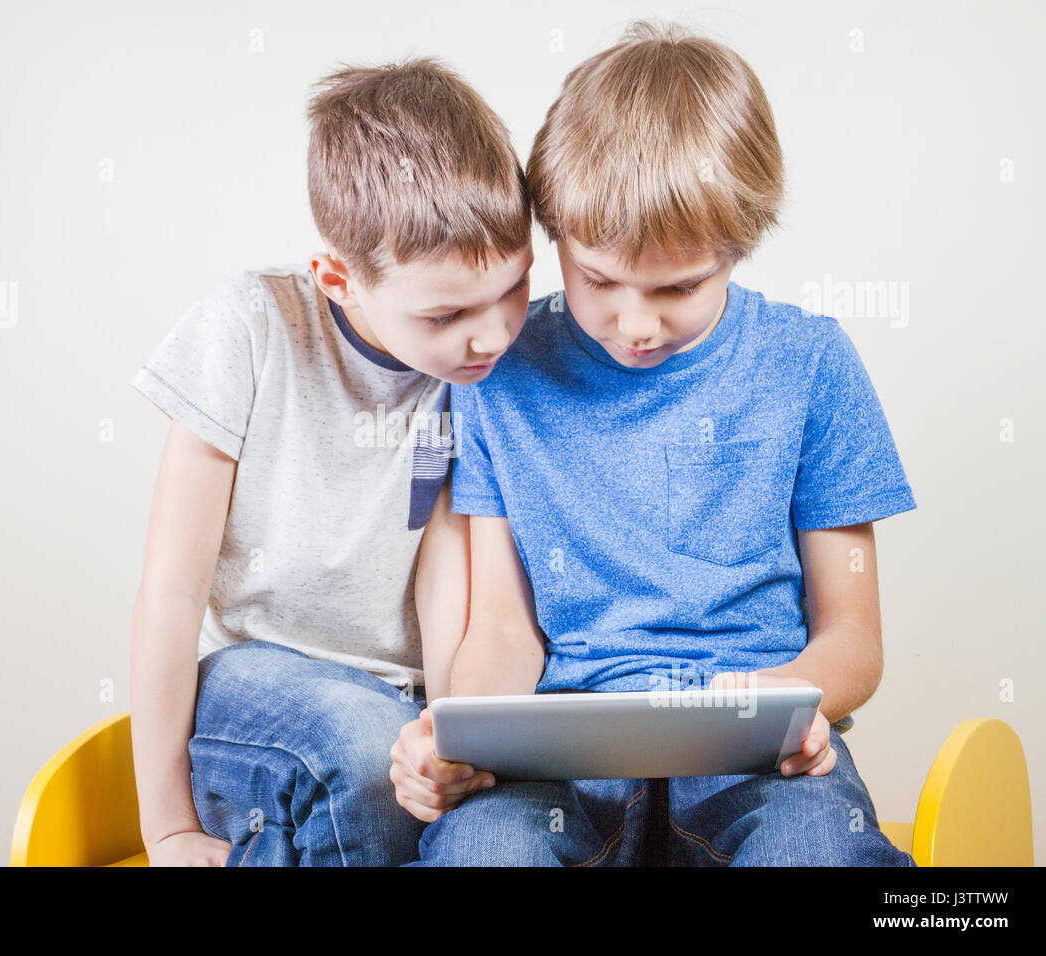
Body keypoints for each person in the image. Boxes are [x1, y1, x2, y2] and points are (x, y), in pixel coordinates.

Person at [390, 21, 919, 866]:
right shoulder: (503, 375)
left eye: (679, 287)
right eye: (597, 279)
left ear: (741, 245)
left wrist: (779, 698)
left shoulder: (810, 363)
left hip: (758, 760)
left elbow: (853, 636)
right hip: (562, 760)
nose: (635, 325)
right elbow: (500, 624)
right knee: (482, 852)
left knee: (819, 848)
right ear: (551, 233)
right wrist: (458, 735)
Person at [128, 56, 532, 866]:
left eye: (514, 290)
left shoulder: (475, 377)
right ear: (338, 279)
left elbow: (445, 578)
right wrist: (165, 823)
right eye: (448, 313)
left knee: (442, 788)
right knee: (357, 750)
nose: (491, 335)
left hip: (397, 700)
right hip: (255, 686)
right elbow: (171, 592)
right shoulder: (249, 329)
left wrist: (452, 738)